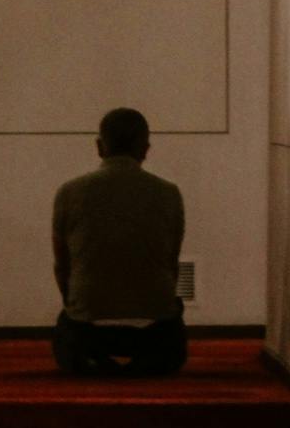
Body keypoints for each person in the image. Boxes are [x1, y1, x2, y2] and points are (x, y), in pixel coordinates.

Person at [51, 107, 188, 378]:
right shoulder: (169, 193)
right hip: (153, 329)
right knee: (172, 338)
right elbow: (171, 263)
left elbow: (62, 266)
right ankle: (147, 364)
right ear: (145, 148)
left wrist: (76, 305)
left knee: (66, 335)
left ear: (100, 146)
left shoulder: (69, 192)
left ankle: (93, 363)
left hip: (88, 327)